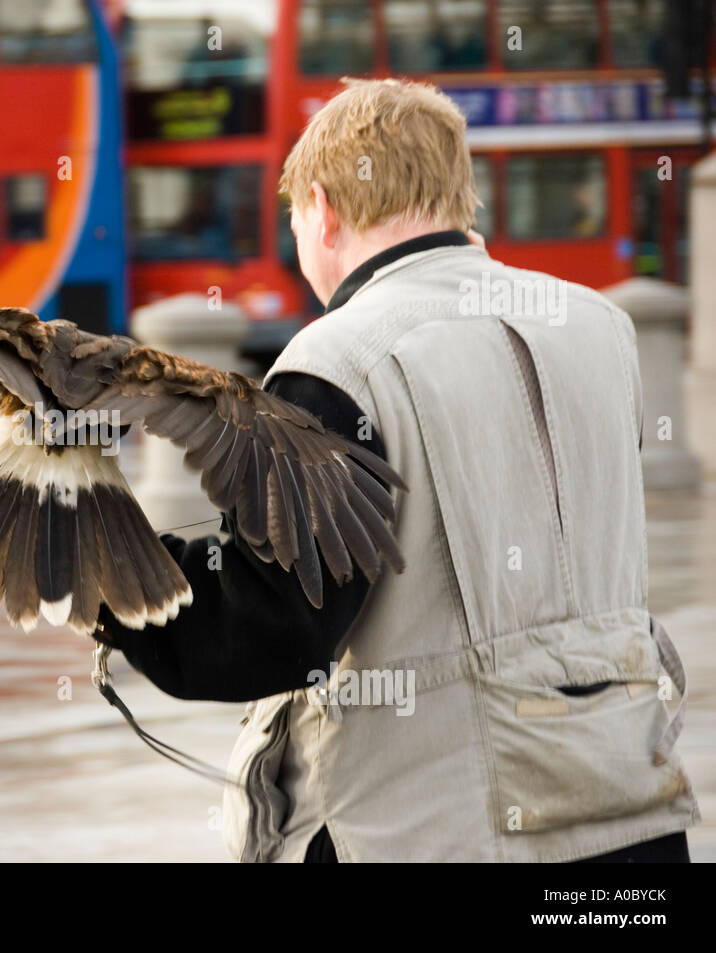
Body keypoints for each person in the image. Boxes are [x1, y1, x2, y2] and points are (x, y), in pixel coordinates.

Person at [95, 78, 699, 863]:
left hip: (430, 826)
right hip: (627, 811)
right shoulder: (599, 326)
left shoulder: (337, 361)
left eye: (294, 221)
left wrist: (109, 565)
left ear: (321, 207)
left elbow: (275, 622)